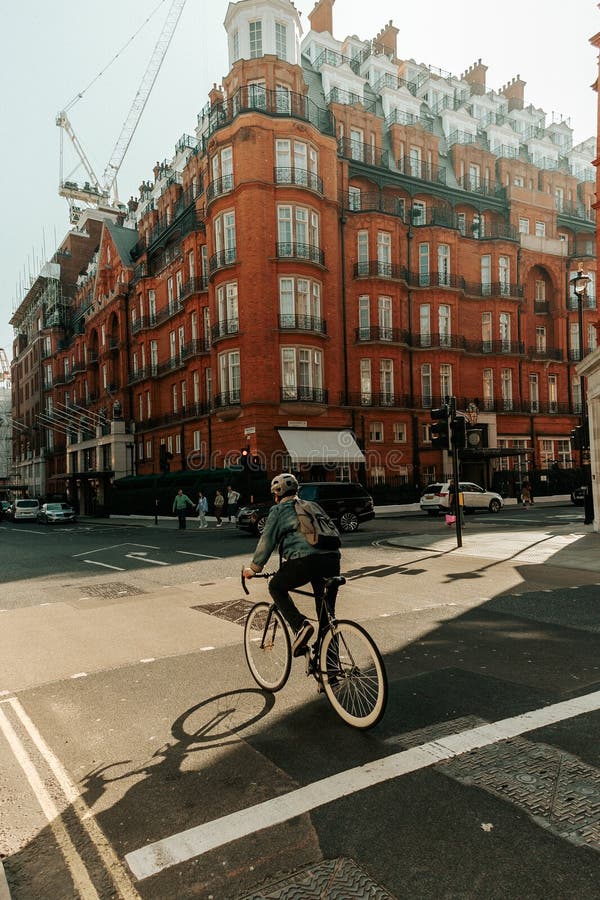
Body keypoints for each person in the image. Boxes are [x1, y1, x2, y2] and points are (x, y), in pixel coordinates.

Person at [242, 473, 341, 658]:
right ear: (297, 491)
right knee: (326, 615)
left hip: (305, 561)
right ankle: (331, 672)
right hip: (333, 560)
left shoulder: (279, 510)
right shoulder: (312, 505)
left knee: (276, 586)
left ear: (277, 495)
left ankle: (300, 625)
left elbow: (267, 541)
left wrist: (253, 569)